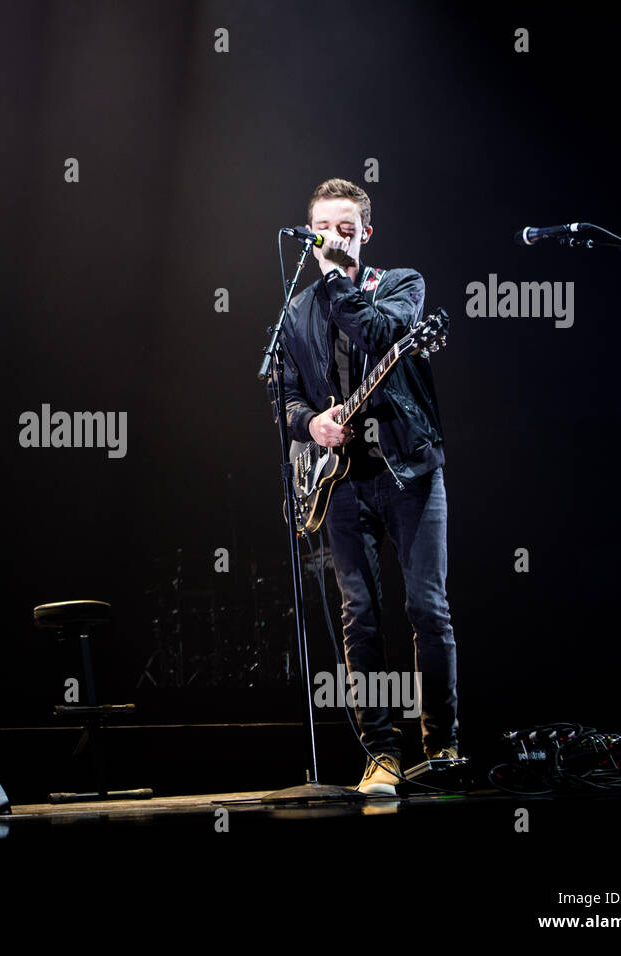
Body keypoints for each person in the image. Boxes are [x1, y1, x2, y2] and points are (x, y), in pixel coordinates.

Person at [270, 178, 459, 795]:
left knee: (427, 608)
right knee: (361, 618)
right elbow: (284, 395)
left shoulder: (402, 284)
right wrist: (312, 422)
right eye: (325, 226)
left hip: (410, 470)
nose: (335, 235)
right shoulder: (295, 313)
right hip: (342, 484)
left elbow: (381, 335)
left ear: (365, 232)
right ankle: (382, 752)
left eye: (347, 227)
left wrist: (335, 281)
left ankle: (443, 743)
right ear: (311, 230)